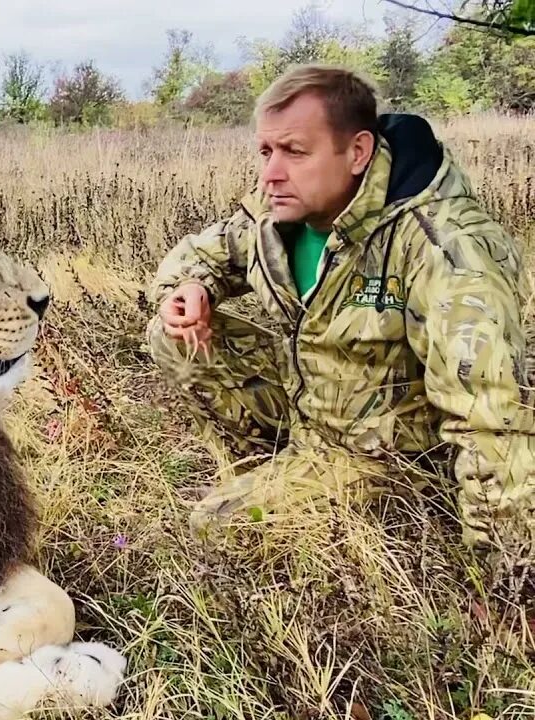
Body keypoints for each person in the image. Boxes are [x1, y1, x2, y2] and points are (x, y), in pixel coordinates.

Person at [147, 64, 533, 573]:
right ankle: (273, 473)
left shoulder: (443, 249)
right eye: (266, 152)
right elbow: (209, 251)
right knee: (173, 333)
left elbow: (492, 416)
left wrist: (506, 575)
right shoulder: (278, 210)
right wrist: (191, 287)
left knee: (217, 526)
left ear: (357, 153)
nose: (271, 173)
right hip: (314, 410)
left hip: (391, 454)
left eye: (295, 152)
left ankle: (391, 516)